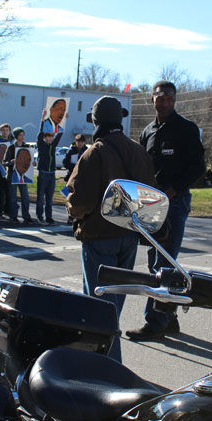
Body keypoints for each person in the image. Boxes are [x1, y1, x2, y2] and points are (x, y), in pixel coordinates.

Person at [66, 96, 156, 362]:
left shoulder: (94, 153)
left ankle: (107, 366)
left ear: (95, 121)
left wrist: (71, 206)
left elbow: (81, 201)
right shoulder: (138, 151)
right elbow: (150, 194)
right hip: (129, 235)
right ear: (120, 119)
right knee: (113, 305)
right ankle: (99, 361)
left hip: (99, 235)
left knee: (99, 309)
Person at [127, 80, 206, 342]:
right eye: (160, 98)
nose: (165, 103)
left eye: (170, 98)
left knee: (164, 262)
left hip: (175, 203)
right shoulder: (148, 131)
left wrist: (175, 188)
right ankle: (169, 317)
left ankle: (155, 322)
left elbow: (197, 167)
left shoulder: (186, 129)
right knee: (155, 261)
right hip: (151, 203)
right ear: (152, 99)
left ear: (175, 100)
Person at [4, 127, 33, 224]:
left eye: (23, 134)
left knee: (25, 196)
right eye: (20, 135)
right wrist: (11, 162)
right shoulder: (11, 147)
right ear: (16, 136)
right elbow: (5, 162)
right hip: (13, 176)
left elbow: (29, 159)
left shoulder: (27, 147)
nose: (22, 136)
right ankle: (13, 216)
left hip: (24, 176)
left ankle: (26, 216)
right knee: (13, 197)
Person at [36, 129, 59, 224]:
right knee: (41, 197)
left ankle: (49, 217)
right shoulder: (41, 145)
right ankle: (40, 216)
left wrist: (63, 121)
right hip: (43, 173)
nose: (50, 138)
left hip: (52, 174)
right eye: (48, 136)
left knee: (49, 198)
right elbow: (40, 135)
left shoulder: (53, 146)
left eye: (51, 137)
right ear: (44, 138)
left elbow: (60, 134)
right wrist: (43, 121)